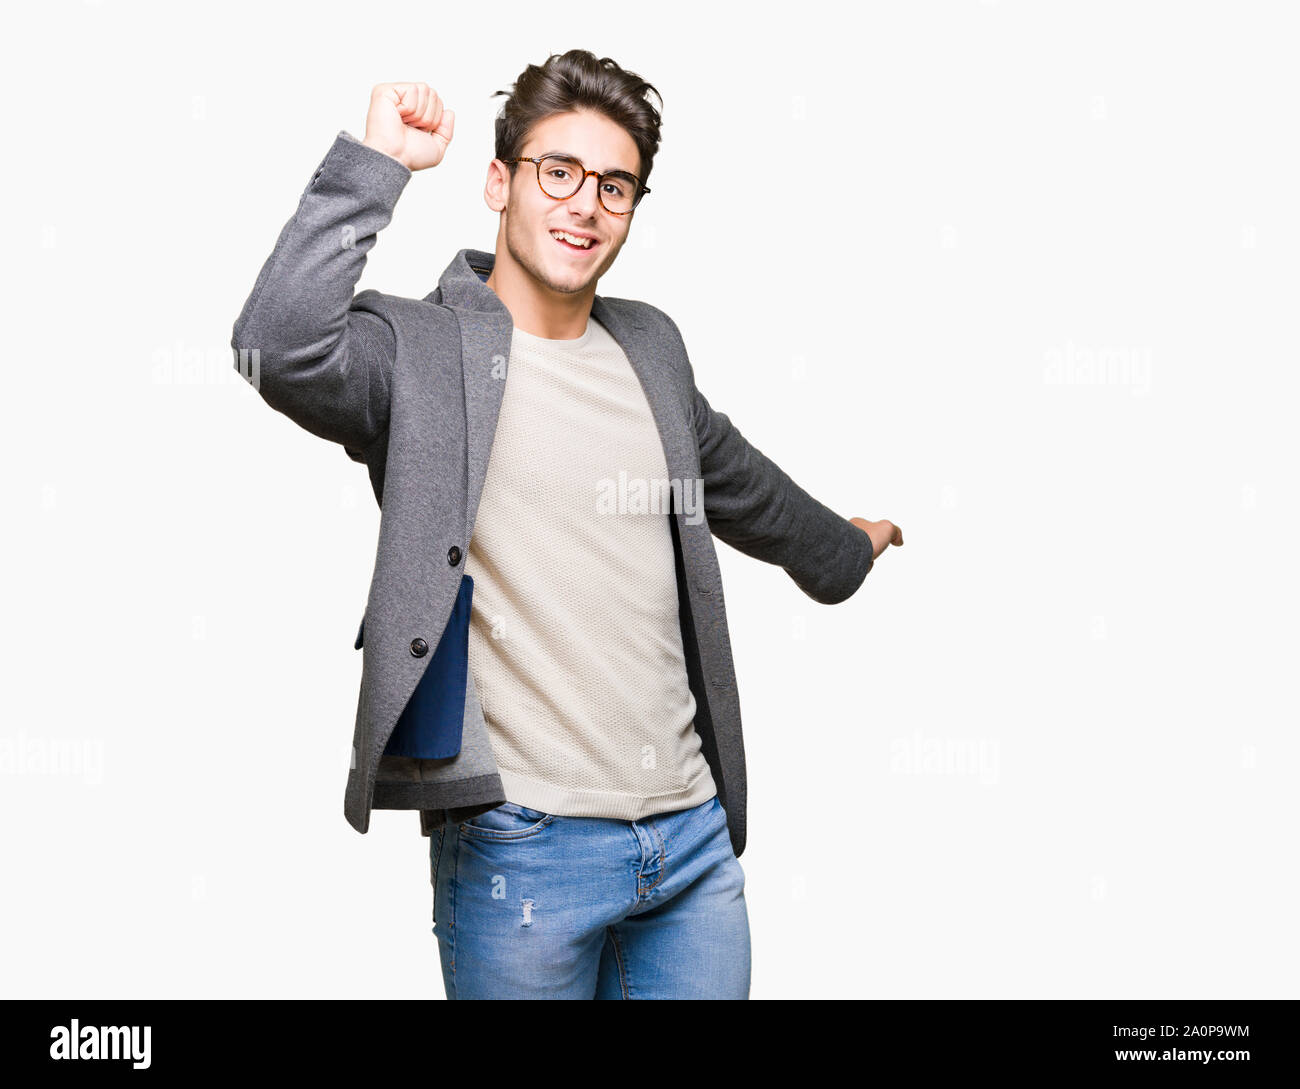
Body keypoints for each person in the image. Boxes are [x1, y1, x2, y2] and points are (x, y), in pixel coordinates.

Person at [231, 48, 902, 1000]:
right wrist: (374, 163)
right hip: (523, 847)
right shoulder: (422, 352)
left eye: (615, 185)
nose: (585, 203)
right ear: (500, 182)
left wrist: (847, 546)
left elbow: (737, 479)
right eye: (559, 172)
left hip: (690, 843)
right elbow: (276, 345)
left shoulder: (652, 344)